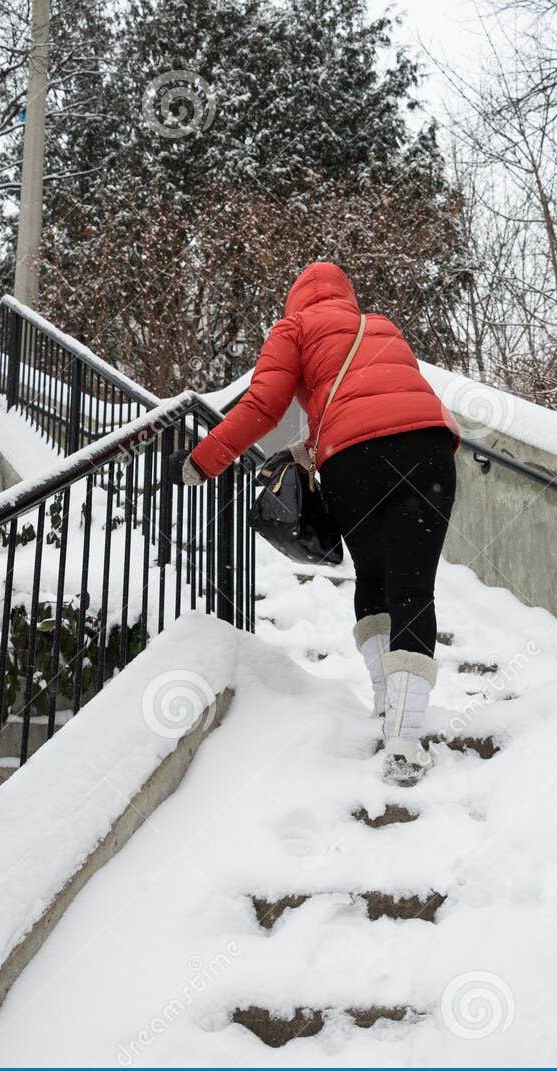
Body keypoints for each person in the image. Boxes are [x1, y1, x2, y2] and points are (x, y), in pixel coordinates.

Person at [171, 262, 458, 786]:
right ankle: (404, 732)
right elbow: (393, 392)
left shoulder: (293, 329)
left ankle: (384, 700)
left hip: (354, 462)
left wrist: (202, 461)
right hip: (427, 447)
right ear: (347, 296)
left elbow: (263, 404)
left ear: (295, 300)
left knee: (373, 578)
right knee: (414, 586)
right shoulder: (381, 324)